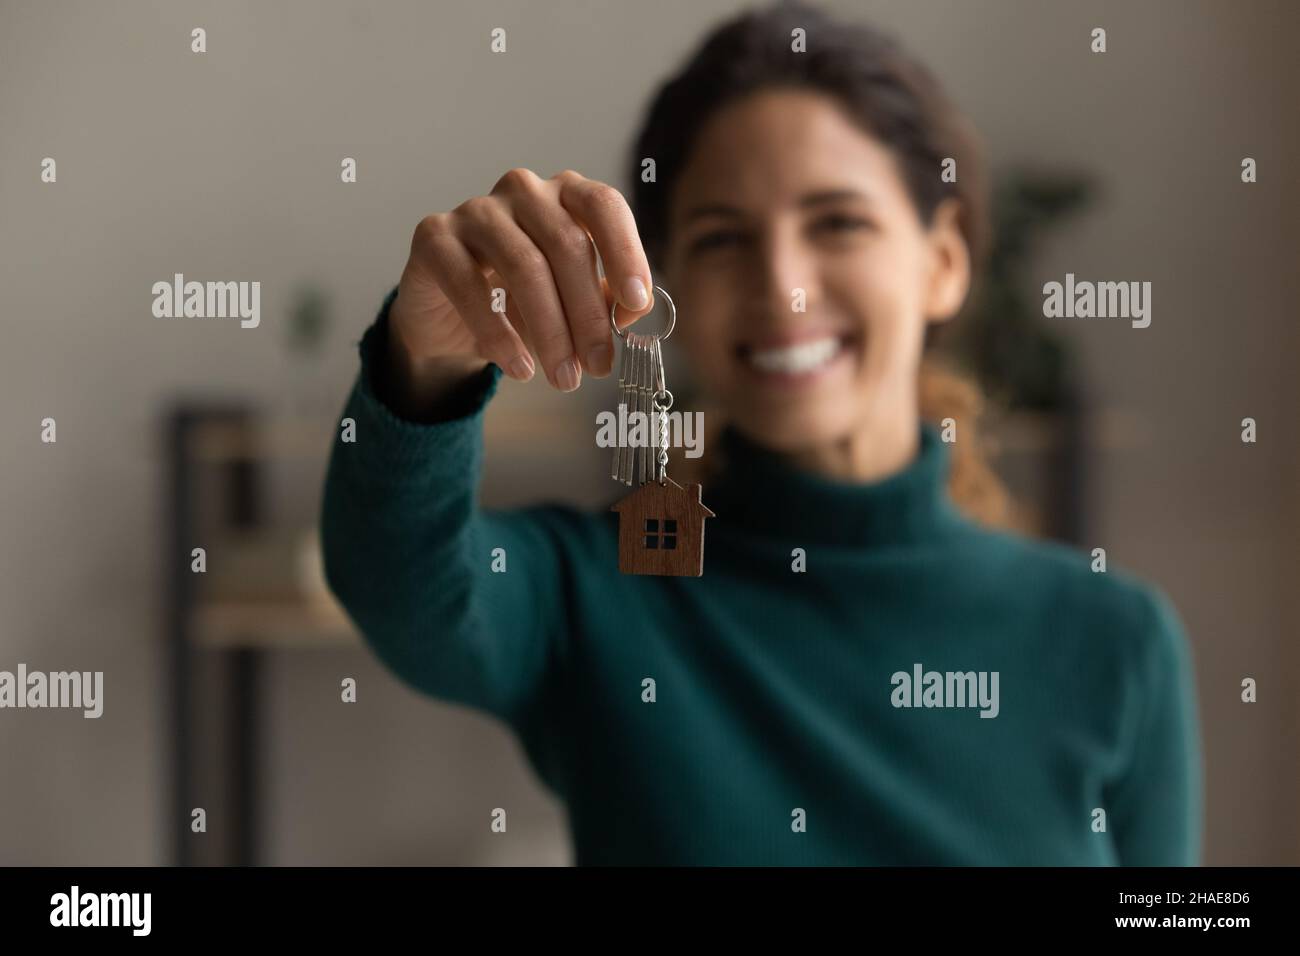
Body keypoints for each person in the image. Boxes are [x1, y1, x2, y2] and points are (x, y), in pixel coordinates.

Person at [320, 1, 1202, 865]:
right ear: (660, 289)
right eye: (721, 238)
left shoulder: (1114, 640)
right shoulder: (597, 593)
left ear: (943, 263)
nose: (783, 285)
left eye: (839, 224)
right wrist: (424, 364)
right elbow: (397, 584)